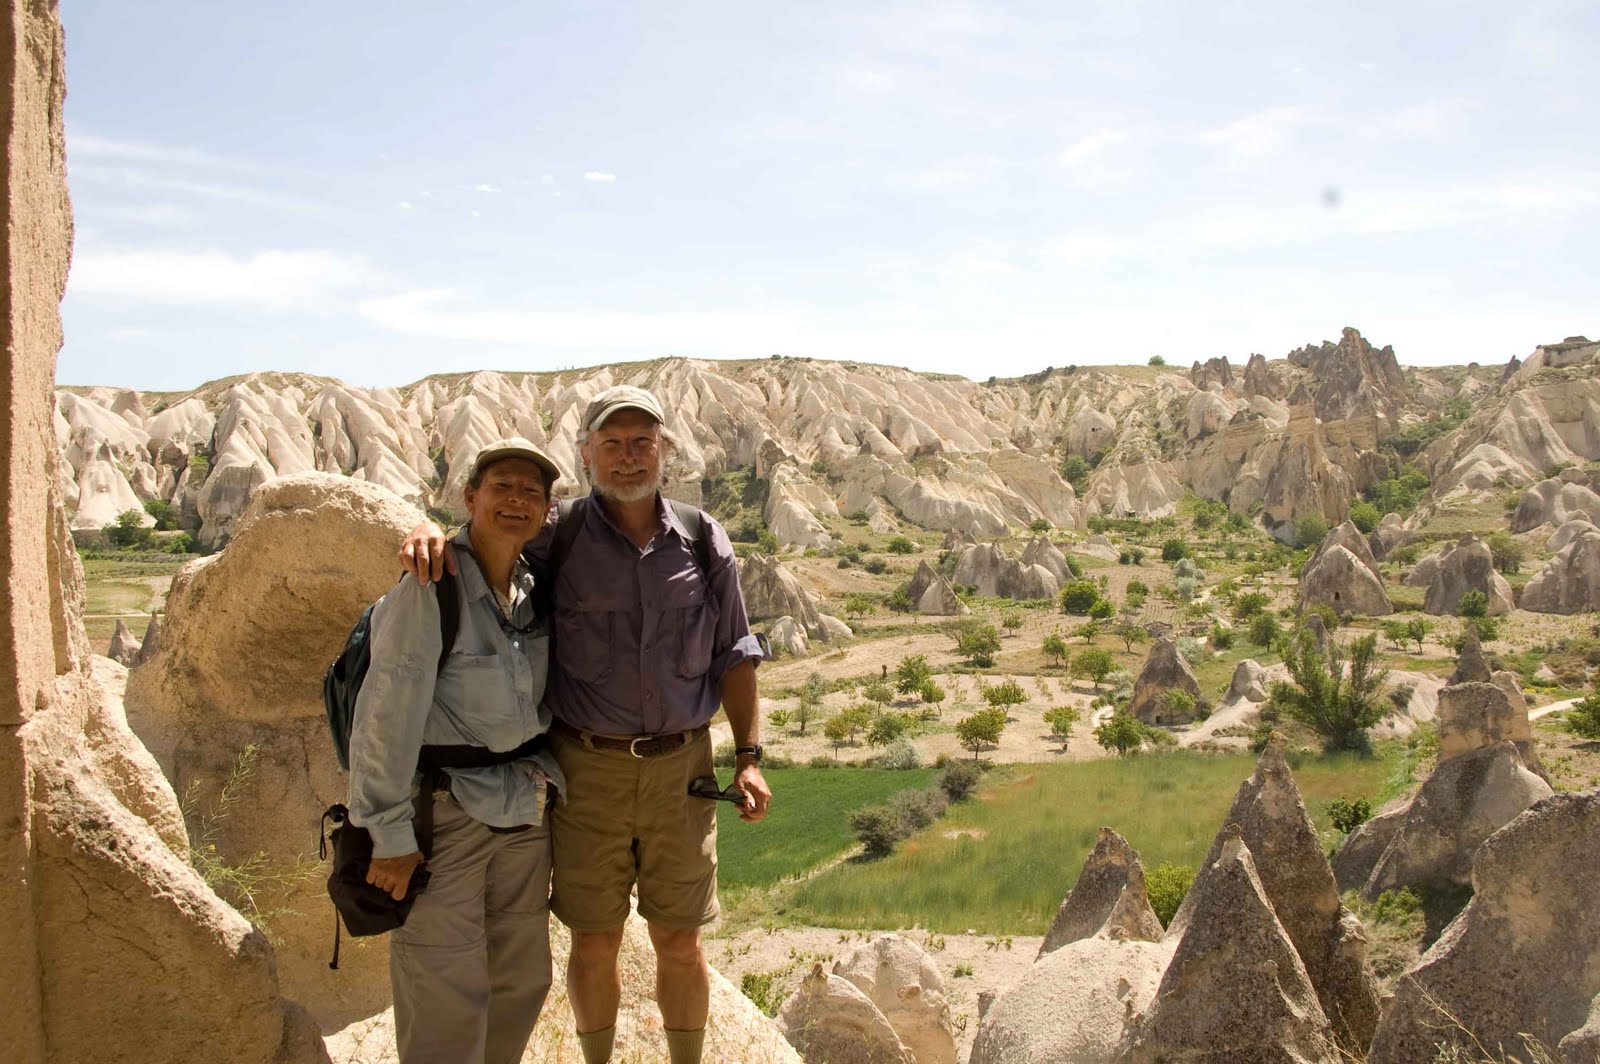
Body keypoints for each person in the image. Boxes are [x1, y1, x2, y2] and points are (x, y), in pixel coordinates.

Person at [400, 385, 770, 1064]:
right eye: (611, 444)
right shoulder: (556, 535)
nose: (627, 458)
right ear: (587, 455)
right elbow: (487, 545)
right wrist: (429, 531)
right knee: (593, 940)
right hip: (585, 772)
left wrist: (748, 756)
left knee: (680, 941)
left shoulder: (700, 536)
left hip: (680, 772)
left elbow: (736, 655)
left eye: (641, 442)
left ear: (663, 449)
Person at [348, 438, 566, 1064]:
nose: (517, 500)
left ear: (547, 511)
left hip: (523, 812)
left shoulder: (534, 585)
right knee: (444, 988)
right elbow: (384, 717)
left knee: (521, 980)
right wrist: (388, 833)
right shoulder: (428, 587)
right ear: (470, 498)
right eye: (502, 487)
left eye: (532, 491)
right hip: (443, 821)